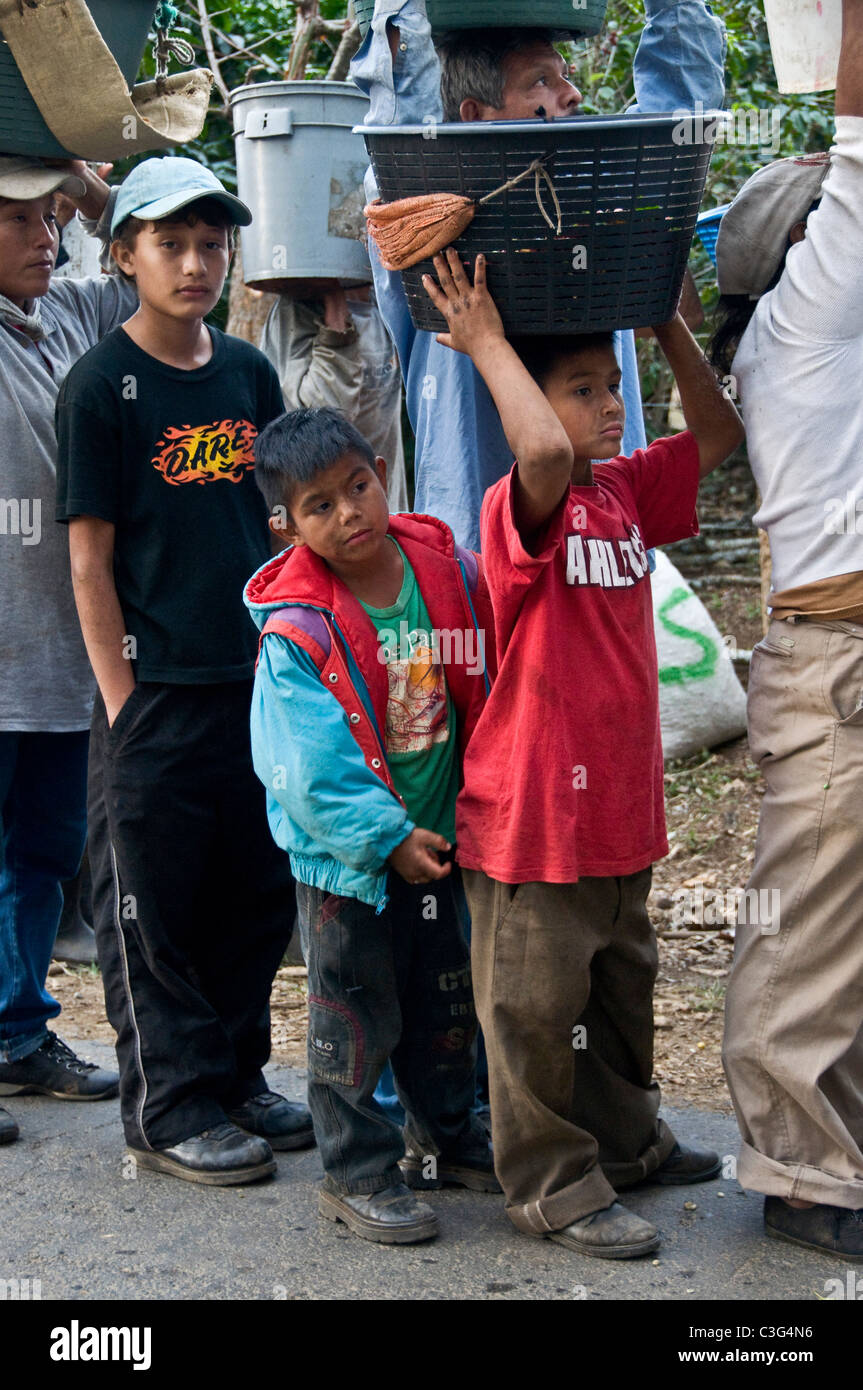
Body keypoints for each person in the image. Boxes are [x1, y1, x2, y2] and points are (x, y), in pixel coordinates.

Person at [423, 247, 743, 1257]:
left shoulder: (620, 494)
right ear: (532, 398)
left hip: (615, 809)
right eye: (582, 389)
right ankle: (550, 1184)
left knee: (616, 991)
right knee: (530, 1007)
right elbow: (542, 453)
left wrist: (662, 325)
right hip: (533, 816)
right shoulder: (520, 504)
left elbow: (719, 434)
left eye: (612, 387)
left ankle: (624, 1143)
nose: (609, 406)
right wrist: (485, 342)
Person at [55, 157, 312, 1186]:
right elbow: (88, 559)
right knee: (149, 909)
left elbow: (280, 524)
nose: (196, 263)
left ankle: (236, 1077)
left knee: (251, 894)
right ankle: (168, 1108)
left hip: (255, 682)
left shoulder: (248, 374)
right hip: (153, 691)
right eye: (171, 243)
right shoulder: (99, 385)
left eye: (212, 244)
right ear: (125, 255)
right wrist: (124, 703)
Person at [244, 406, 497, 1243]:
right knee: (353, 1018)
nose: (349, 512)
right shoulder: (297, 629)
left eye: (358, 486)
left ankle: (449, 1136)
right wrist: (387, 837)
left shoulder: (445, 572)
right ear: (286, 525)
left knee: (445, 1004)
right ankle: (355, 1171)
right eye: (320, 505)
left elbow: (490, 674)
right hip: (348, 867)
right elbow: (307, 764)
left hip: (441, 844)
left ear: (382, 472)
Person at [350, 0, 727, 550]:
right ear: (474, 115)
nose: (572, 95)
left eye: (565, 76)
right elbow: (402, 117)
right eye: (541, 82)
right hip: (477, 558)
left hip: (604, 554)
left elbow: (680, 116)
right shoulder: (425, 216)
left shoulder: (599, 202)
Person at [712, 0, 863, 1260]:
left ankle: (829, 1147)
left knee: (829, 926)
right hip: (834, 667)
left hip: (830, 658)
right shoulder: (808, 318)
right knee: (805, 925)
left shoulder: (809, 347)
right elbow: (860, 148)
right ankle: (799, 1170)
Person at [0, 156, 129, 1144]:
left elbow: (150, 266)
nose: (47, 238)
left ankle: (16, 1033)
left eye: (53, 220)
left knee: (42, 852)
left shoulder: (74, 318)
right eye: (22, 221)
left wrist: (81, 185)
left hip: (56, 662)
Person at [261, 282, 409, 513]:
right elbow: (322, 423)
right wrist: (336, 315)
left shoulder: (383, 301)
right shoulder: (297, 310)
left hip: (385, 512)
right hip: (329, 521)